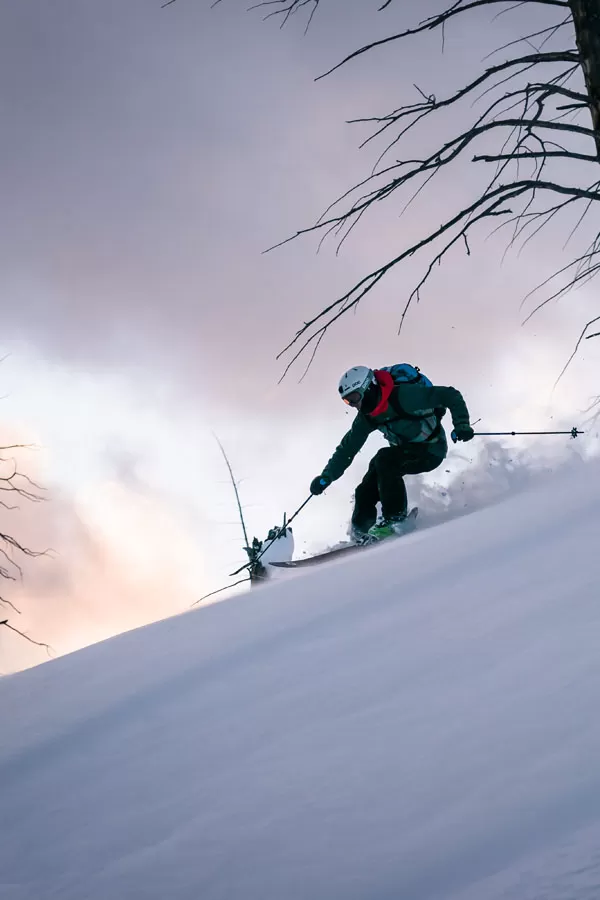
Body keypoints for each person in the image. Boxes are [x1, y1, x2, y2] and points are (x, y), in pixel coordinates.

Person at [309, 365, 474, 542]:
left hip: (431, 450)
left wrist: (461, 424)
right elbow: (348, 448)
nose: (355, 405)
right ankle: (360, 530)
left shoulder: (404, 396)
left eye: (355, 398)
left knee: (384, 459)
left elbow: (449, 395)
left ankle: (396, 519)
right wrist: (326, 476)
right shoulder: (368, 416)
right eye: (348, 402)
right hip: (404, 451)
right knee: (368, 481)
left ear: (368, 387)